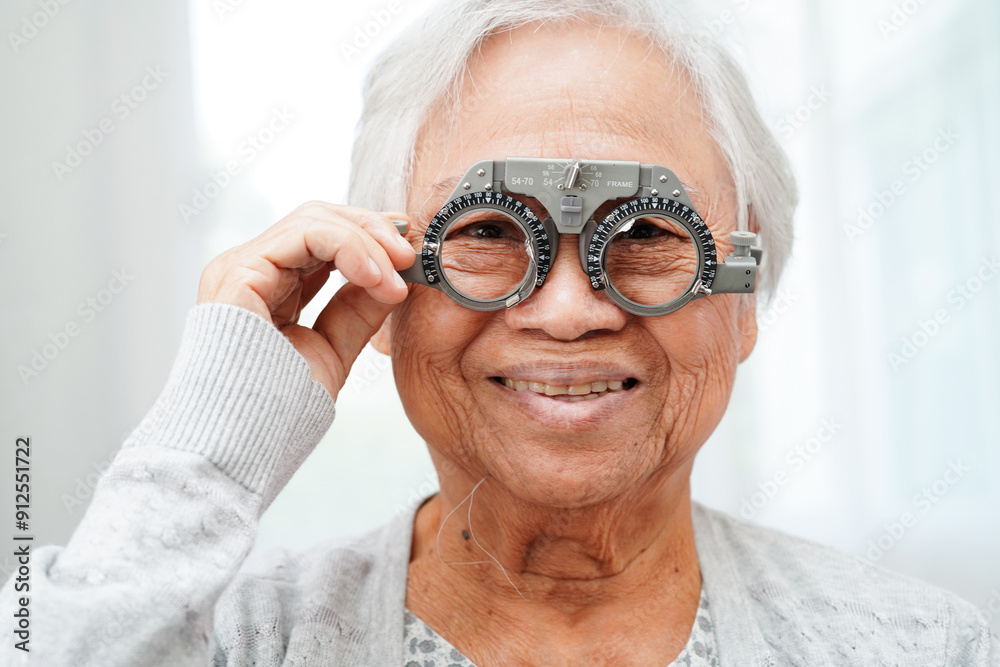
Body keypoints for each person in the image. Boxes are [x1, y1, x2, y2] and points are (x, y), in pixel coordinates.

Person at [3, 1, 996, 665]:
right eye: (486, 231)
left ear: (742, 301)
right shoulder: (226, 640)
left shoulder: (915, 647)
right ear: (382, 281)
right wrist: (211, 435)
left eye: (645, 234)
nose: (568, 311)